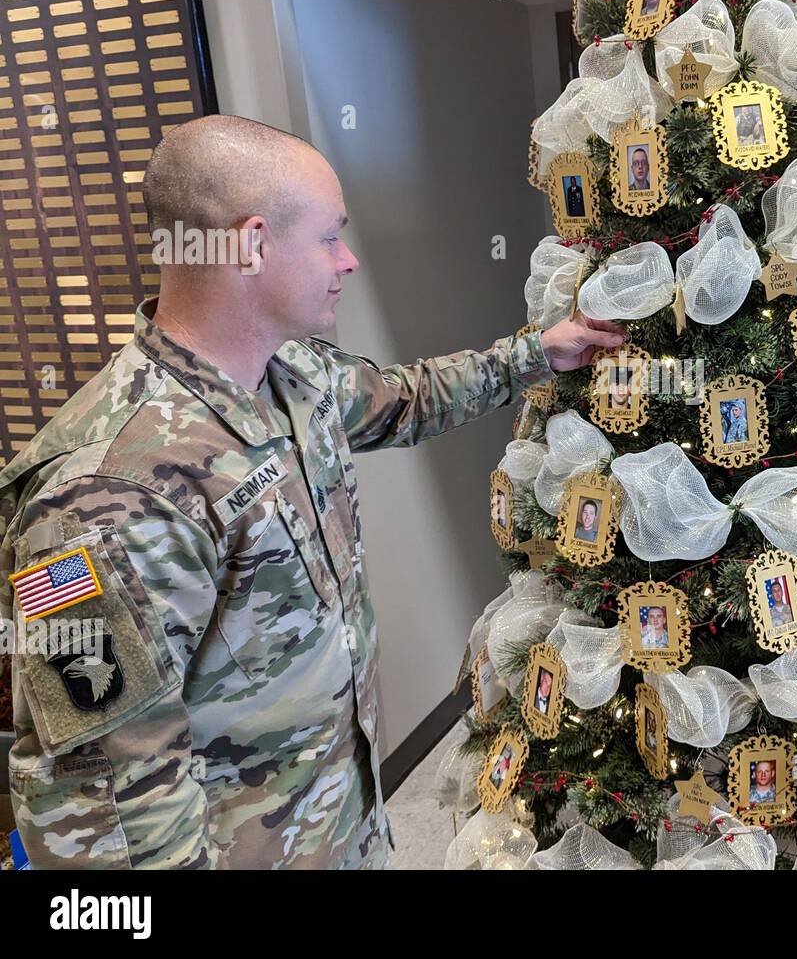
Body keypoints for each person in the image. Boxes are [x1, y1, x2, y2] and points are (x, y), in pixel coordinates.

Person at [0, 114, 625, 870]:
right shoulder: (102, 497)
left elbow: (404, 399)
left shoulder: (296, 376)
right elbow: (105, 812)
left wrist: (537, 354)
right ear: (253, 244)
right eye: (330, 237)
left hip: (340, 833)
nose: (348, 260)